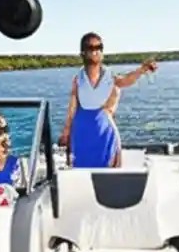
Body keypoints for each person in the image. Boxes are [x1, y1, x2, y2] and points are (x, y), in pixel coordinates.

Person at [57, 32, 158, 168]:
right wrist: (66, 132)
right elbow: (72, 108)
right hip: (82, 134)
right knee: (82, 174)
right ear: (83, 52)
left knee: (107, 174)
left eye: (99, 47)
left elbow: (125, 81)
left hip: (104, 133)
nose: (95, 51)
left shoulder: (109, 76)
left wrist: (142, 70)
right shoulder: (78, 79)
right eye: (90, 48)